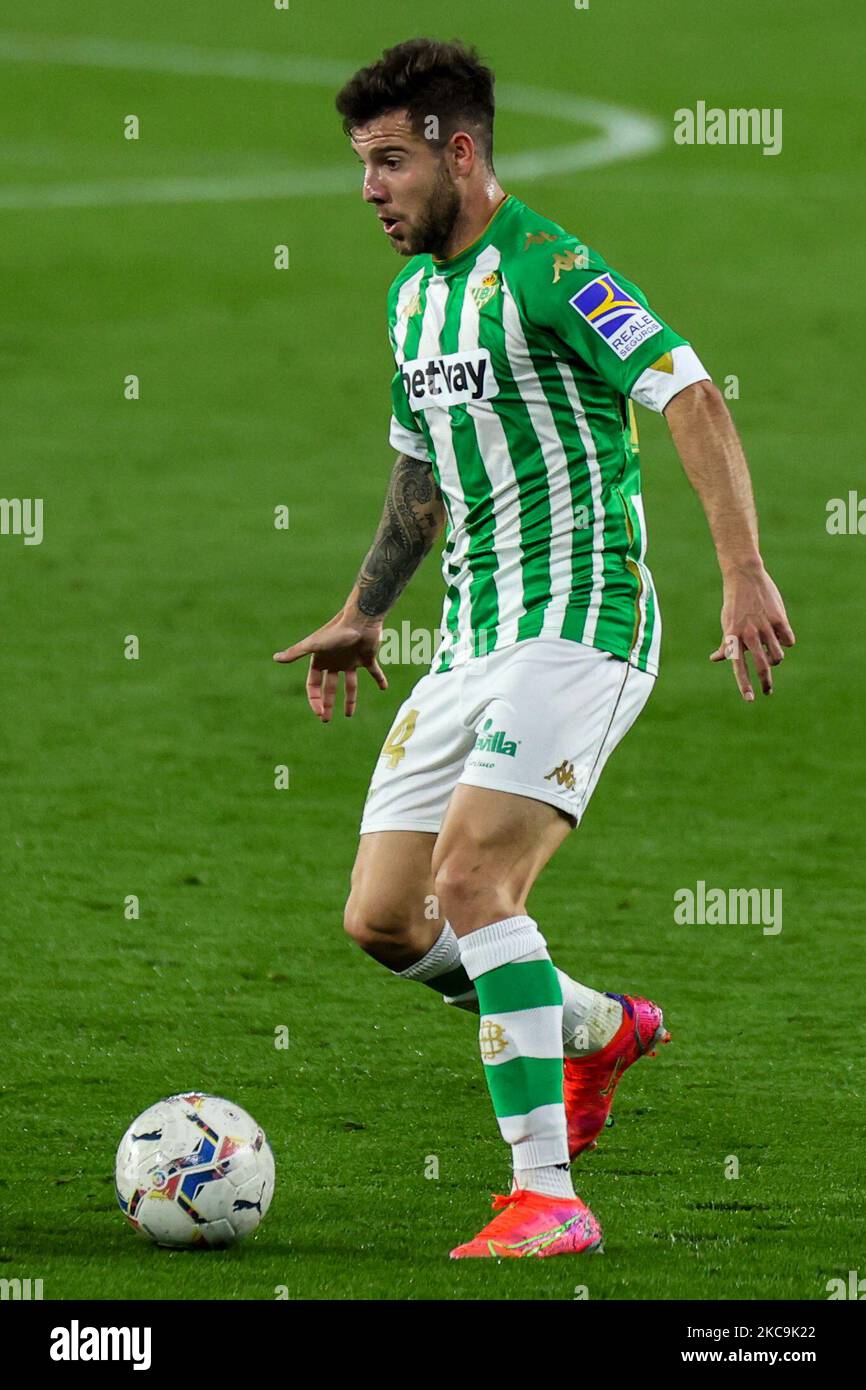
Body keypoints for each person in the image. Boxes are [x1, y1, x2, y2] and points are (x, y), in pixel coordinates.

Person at [274, 37, 795, 1259]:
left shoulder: (551, 267)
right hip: (469, 639)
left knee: (472, 885)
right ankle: (597, 1027)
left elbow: (688, 392)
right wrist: (363, 610)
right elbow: (423, 464)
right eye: (362, 165)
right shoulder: (412, 297)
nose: (371, 190)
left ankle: (545, 1196)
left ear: (460, 151)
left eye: (391, 161)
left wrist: (739, 571)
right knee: (386, 919)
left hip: (579, 623)